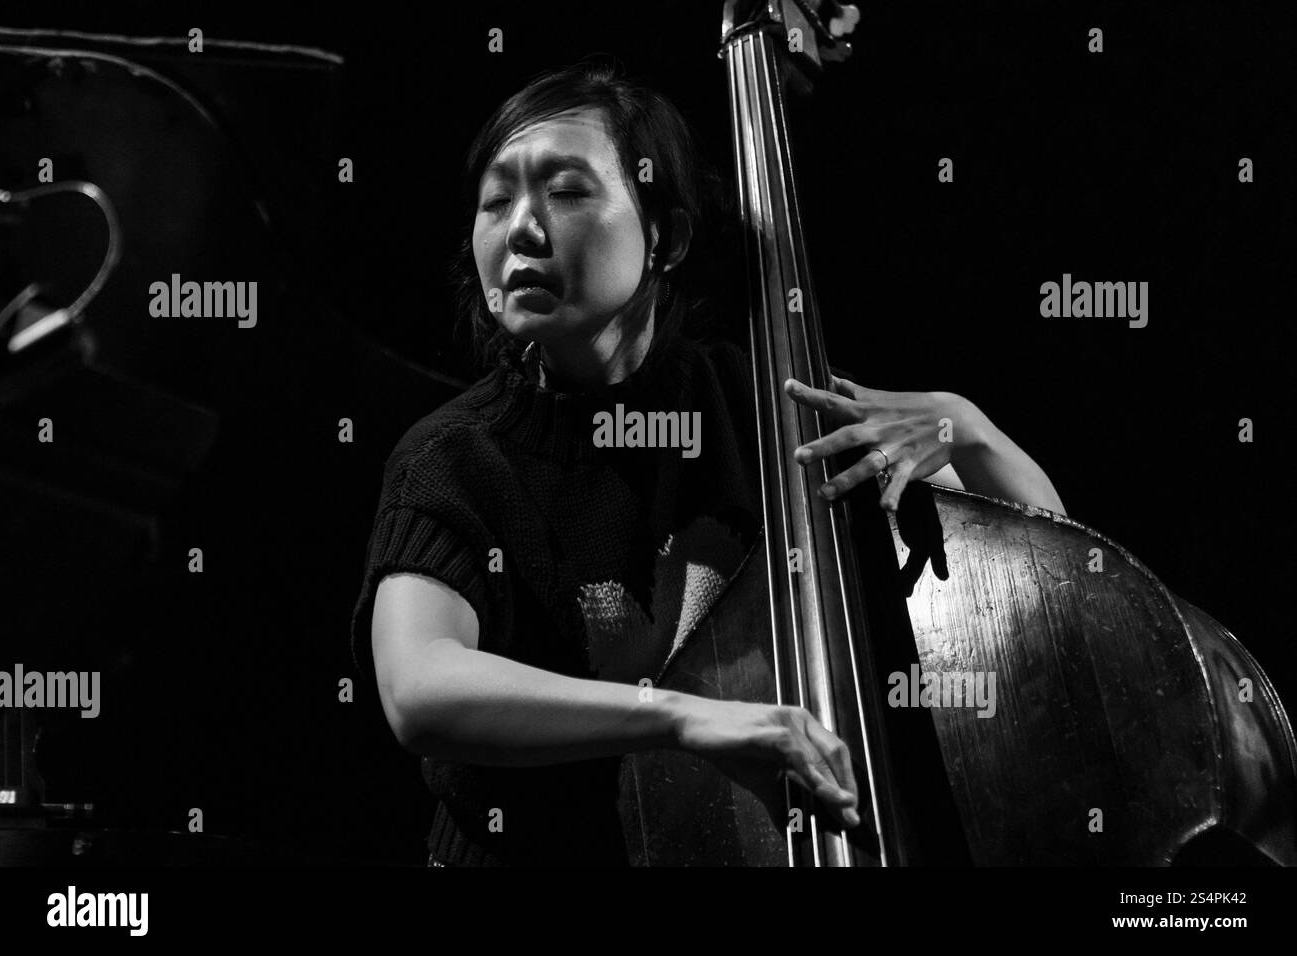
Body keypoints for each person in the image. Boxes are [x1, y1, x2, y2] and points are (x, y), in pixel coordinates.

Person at [350, 59, 1066, 866]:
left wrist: (968, 431)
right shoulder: (453, 459)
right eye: (495, 199)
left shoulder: (766, 404)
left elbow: (1041, 587)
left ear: (667, 237)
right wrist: (681, 716)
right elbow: (419, 690)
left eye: (567, 190)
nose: (521, 227)